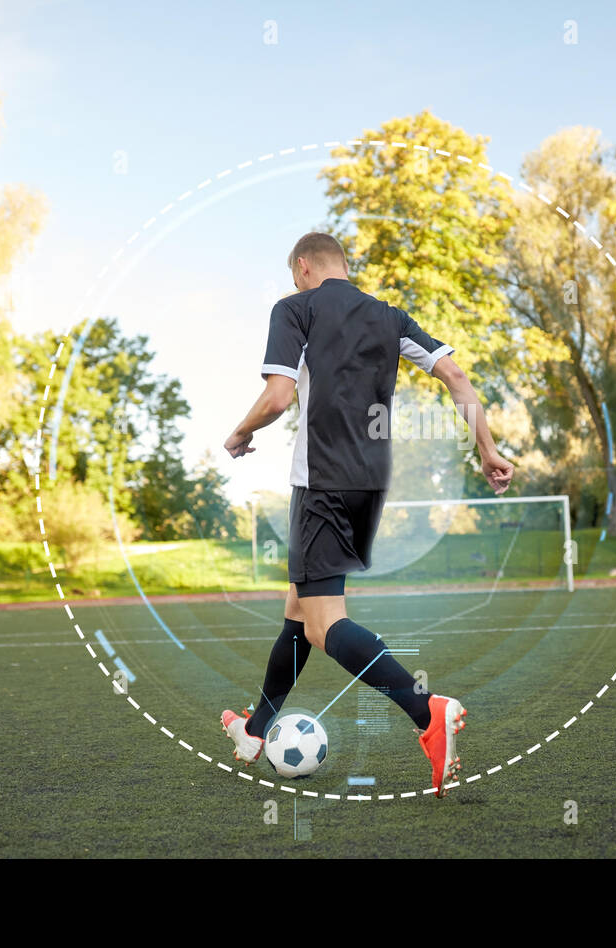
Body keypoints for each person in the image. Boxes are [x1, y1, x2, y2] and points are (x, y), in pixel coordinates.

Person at [220, 231, 514, 796]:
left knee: (325, 623)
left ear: (303, 267)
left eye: (295, 273)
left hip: (321, 482)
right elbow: (455, 376)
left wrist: (239, 430)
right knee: (299, 606)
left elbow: (279, 396)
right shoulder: (390, 316)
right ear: (343, 265)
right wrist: (487, 447)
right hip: (368, 486)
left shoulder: (295, 309)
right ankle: (256, 731)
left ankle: (426, 711)